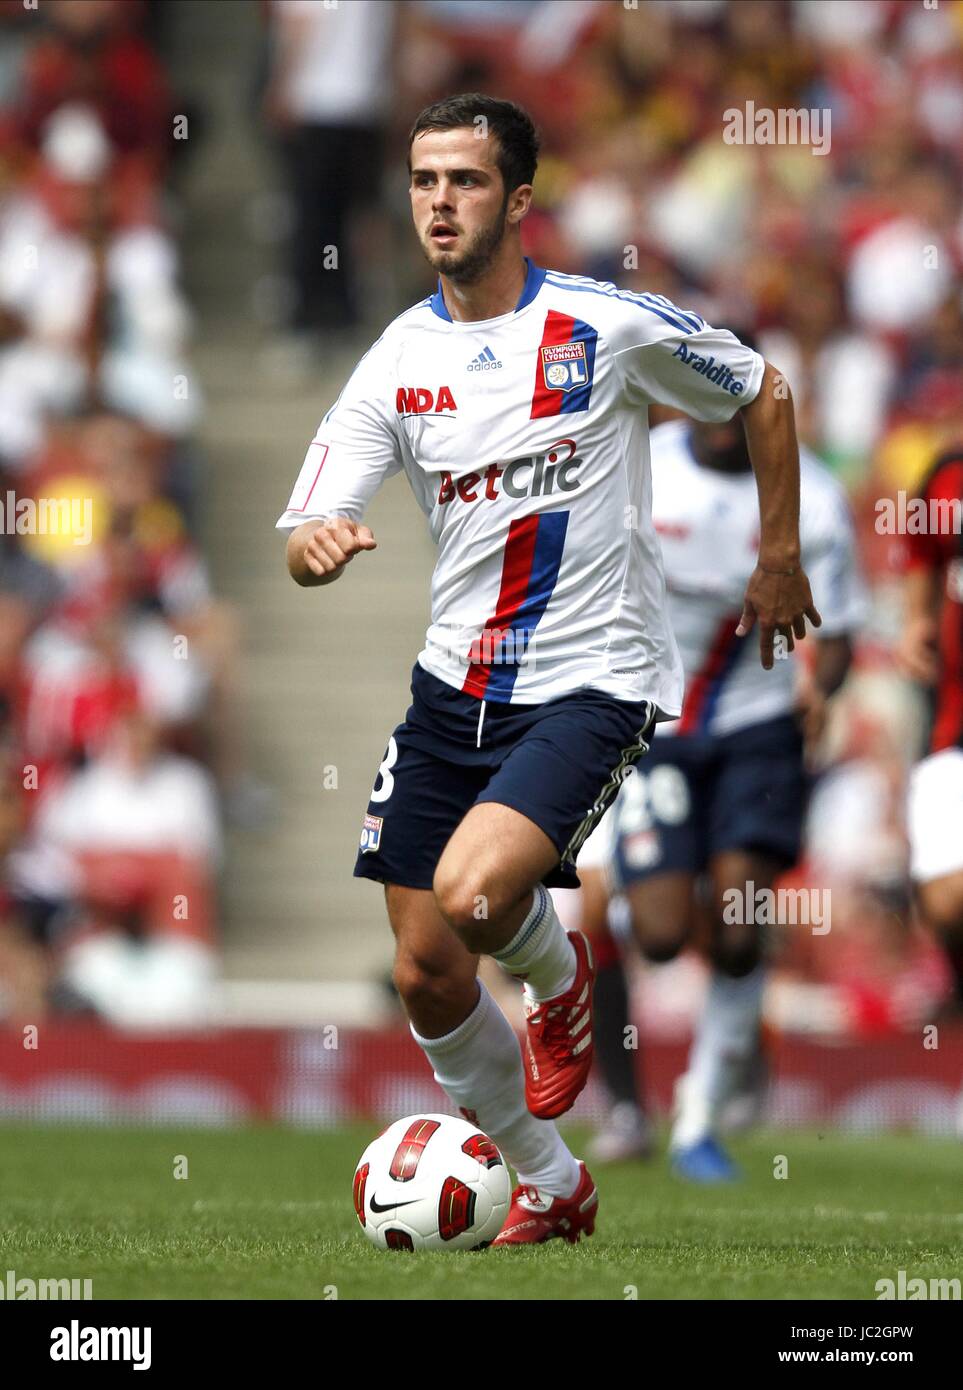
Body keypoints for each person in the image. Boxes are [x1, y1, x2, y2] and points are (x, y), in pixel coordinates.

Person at [277, 94, 820, 1245]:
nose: (439, 201)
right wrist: (317, 545)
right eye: (424, 180)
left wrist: (780, 556)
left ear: (518, 199)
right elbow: (312, 520)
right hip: (450, 690)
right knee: (426, 967)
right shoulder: (398, 358)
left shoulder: (601, 328)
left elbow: (762, 390)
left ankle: (562, 975)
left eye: (465, 181)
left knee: (478, 898)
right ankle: (555, 1183)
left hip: (592, 679)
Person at [570, 392, 866, 1180]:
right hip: (652, 731)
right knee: (659, 933)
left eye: (736, 407)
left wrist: (821, 690)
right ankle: (631, 1101)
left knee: (737, 921)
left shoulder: (812, 500)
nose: (718, 418)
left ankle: (697, 1118)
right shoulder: (641, 473)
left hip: (756, 732)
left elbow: (835, 631)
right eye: (706, 399)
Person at [900, 447, 963, 1013]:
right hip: (953, 720)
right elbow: (921, 550)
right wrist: (917, 618)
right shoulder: (946, 477)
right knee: (944, 899)